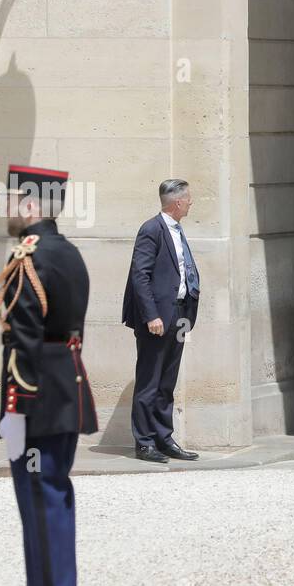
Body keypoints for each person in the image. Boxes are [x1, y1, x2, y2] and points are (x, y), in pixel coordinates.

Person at [0, 165, 98, 586]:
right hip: (66, 389)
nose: (7, 208)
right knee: (53, 500)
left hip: (38, 398)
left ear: (31, 206)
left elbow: (23, 342)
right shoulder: (69, 253)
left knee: (41, 504)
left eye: (13, 199)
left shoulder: (29, 256)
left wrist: (14, 409)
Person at [122, 179, 201, 463]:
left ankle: (163, 438)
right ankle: (144, 442)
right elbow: (139, 275)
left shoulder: (177, 230)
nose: (191, 202)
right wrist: (151, 315)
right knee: (150, 380)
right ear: (177, 202)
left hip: (180, 316)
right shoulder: (151, 229)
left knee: (167, 380)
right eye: (188, 198)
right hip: (157, 319)